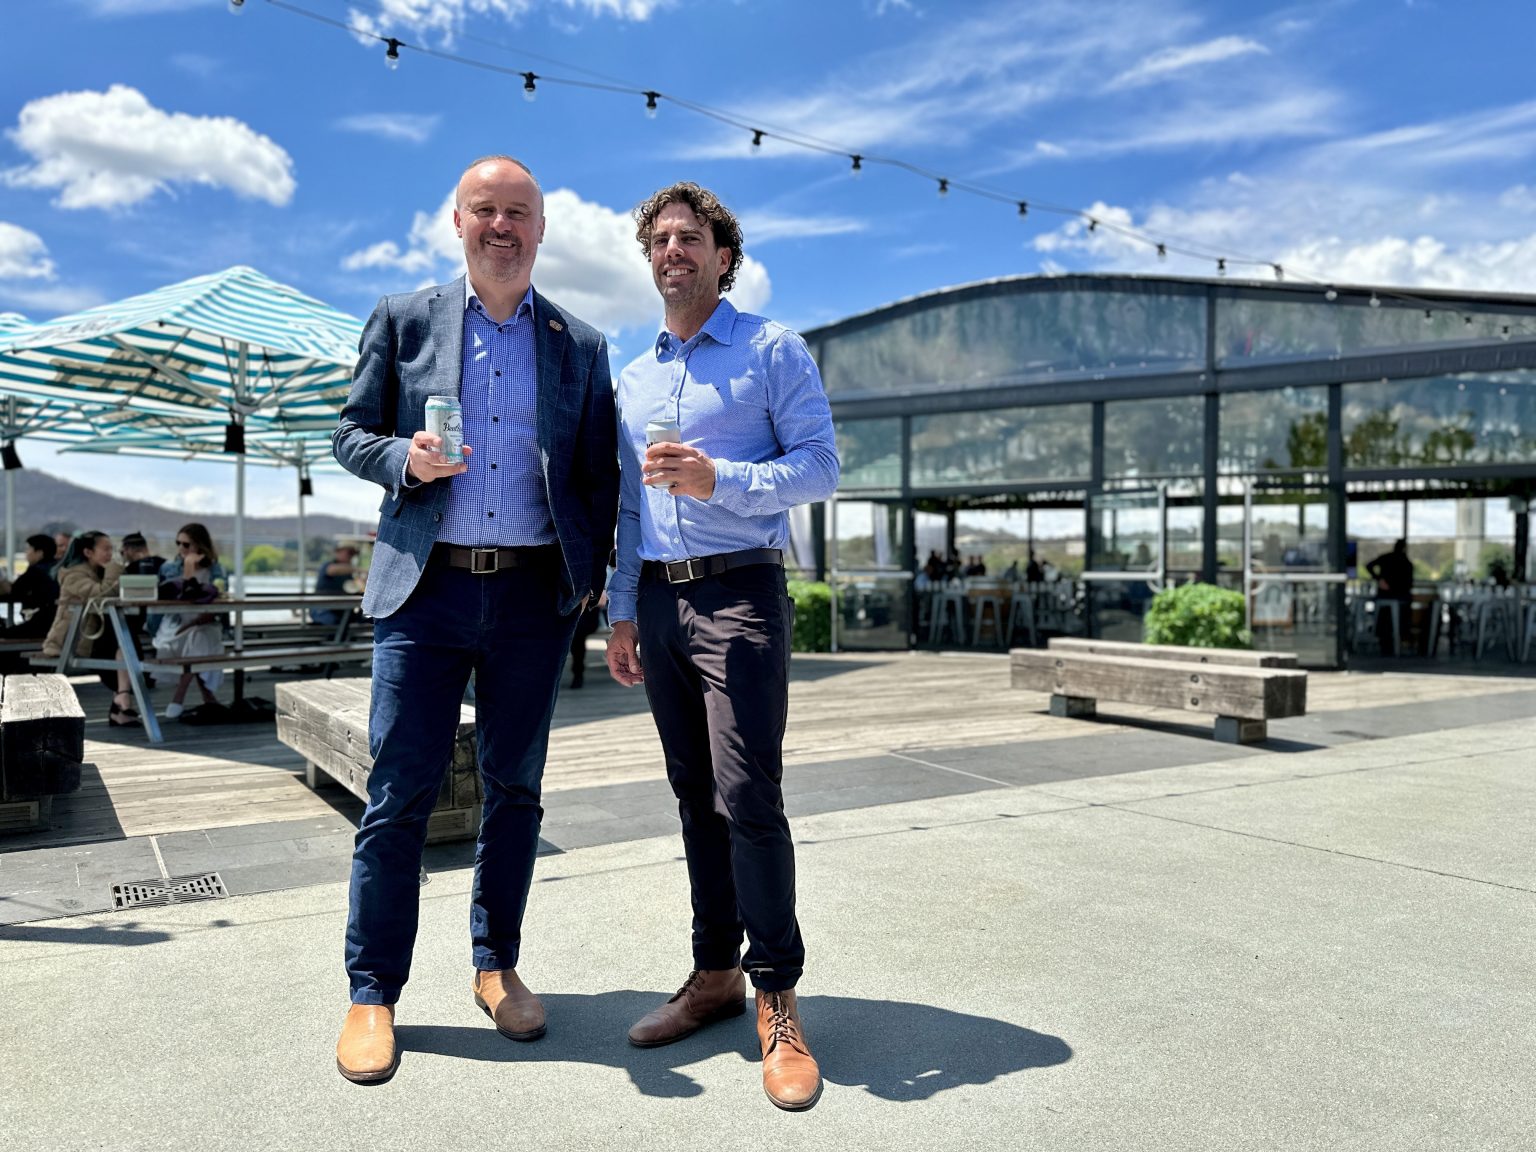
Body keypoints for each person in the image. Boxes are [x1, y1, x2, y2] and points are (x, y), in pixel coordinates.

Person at [330, 154, 618, 1085]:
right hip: (425, 589)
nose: (502, 226)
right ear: (457, 222)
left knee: (516, 791)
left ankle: (496, 965)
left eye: (518, 213)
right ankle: (372, 992)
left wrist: (591, 583)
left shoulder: (578, 343)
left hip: (534, 597)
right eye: (484, 211)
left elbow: (596, 477)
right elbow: (346, 434)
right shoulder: (406, 317)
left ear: (541, 230)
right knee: (398, 794)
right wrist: (401, 460)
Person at [605, 181, 838, 1111]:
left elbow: (820, 466)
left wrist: (720, 478)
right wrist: (622, 610)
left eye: (691, 238)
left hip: (742, 592)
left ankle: (776, 994)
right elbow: (627, 505)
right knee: (692, 796)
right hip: (660, 604)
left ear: (723, 255)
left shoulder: (772, 349)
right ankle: (713, 976)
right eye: (660, 239)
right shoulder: (634, 378)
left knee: (748, 793)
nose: (674, 251)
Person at [40, 531, 139, 726]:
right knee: (124, 643)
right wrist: (113, 569)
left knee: (126, 641)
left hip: (94, 636)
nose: (110, 554)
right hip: (74, 641)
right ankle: (122, 697)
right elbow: (100, 596)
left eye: (111, 549)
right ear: (88, 552)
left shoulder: (101, 572)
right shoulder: (73, 575)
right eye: (105, 549)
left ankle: (121, 700)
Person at [152, 522, 227, 720]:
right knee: (199, 639)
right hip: (174, 627)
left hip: (204, 624)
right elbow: (179, 599)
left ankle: (179, 697)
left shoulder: (216, 570)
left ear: (199, 545)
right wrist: (188, 569)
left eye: (186, 545)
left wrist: (194, 623)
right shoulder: (169, 568)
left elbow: (219, 602)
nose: (181, 549)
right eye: (178, 543)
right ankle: (208, 698)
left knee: (200, 636)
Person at [0, 533, 61, 641]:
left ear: (39, 553)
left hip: (40, 625)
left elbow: (13, 592)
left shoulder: (35, 571)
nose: (26, 554)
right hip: (57, 624)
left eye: (28, 549)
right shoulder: (59, 567)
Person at [1365, 538, 1414, 653]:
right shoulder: (1406, 563)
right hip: (1398, 596)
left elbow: (1369, 566)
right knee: (1399, 618)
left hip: (1385, 595)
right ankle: (1400, 639)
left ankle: (1386, 643)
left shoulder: (1387, 558)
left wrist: (1378, 579)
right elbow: (1409, 584)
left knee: (1384, 619)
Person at [310, 543, 363, 627]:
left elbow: (354, 588)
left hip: (342, 611)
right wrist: (360, 570)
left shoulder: (348, 574)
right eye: (348, 552)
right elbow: (332, 570)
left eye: (352, 554)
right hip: (323, 610)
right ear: (338, 552)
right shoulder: (327, 566)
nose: (351, 556)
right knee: (332, 623)